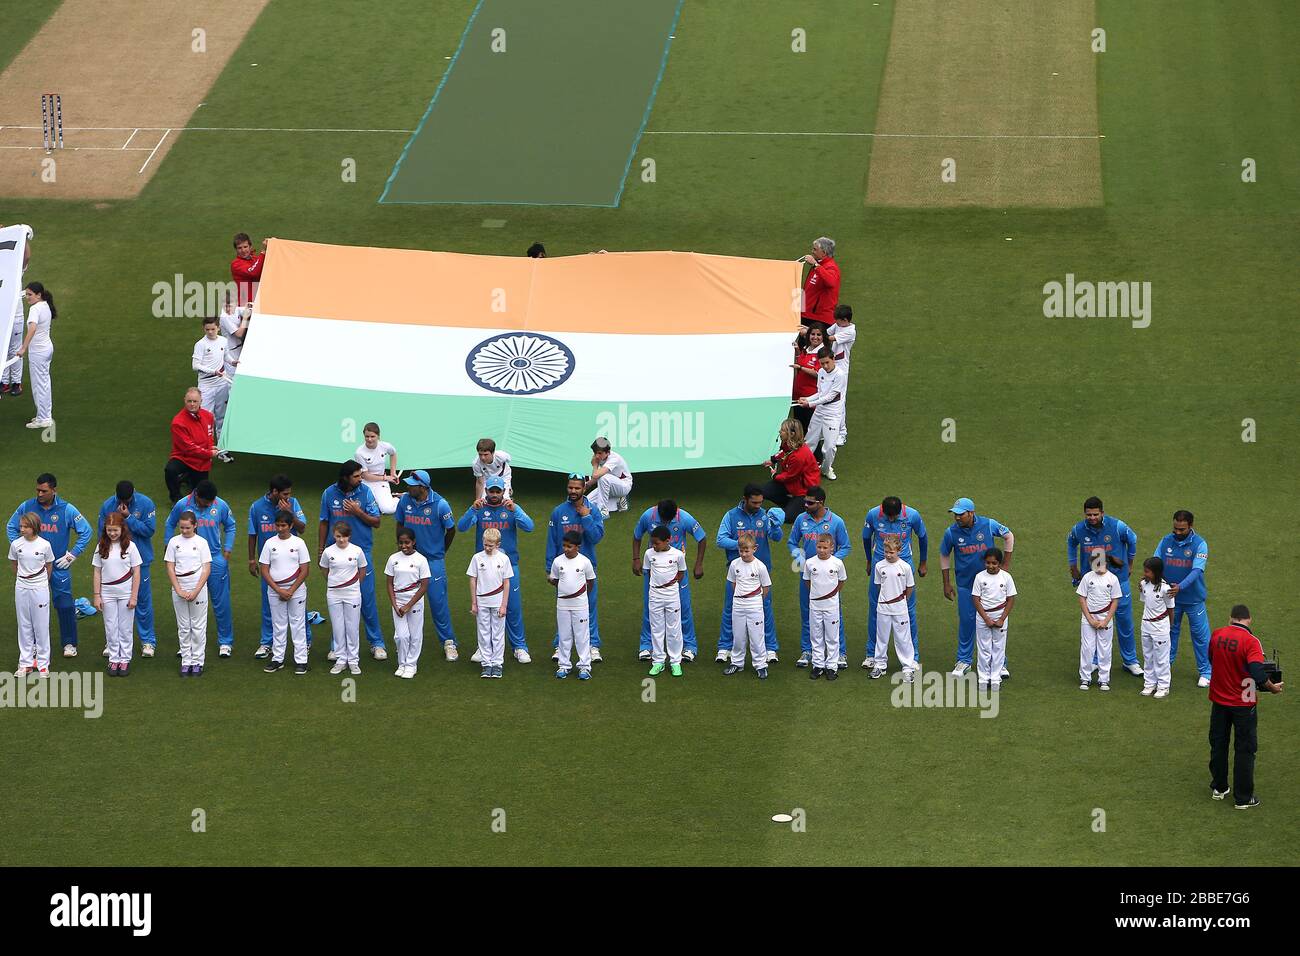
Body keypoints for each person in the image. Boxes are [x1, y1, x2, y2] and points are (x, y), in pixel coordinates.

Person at [6, 473, 91, 657]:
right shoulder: (27, 506)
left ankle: (69, 643)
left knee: (65, 605)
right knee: (32, 609)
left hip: (59, 567)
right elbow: (11, 527)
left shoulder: (67, 509)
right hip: (33, 569)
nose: (39, 494)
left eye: (44, 491)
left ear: (54, 490)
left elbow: (87, 531)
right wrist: (19, 548)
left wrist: (72, 555)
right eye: (37, 490)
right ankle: (34, 645)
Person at [1207, 605, 1282, 809]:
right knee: (1245, 749)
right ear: (1249, 619)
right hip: (1243, 703)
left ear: (1231, 618)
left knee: (1218, 744)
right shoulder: (1251, 641)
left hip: (1219, 701)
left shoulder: (1217, 634)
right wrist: (1272, 687)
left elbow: (1211, 659)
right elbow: (1257, 672)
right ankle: (1243, 797)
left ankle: (1219, 787)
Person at [458, 476, 534, 663]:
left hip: (509, 566)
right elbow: (461, 527)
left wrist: (516, 510)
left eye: (497, 491)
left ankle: (519, 647)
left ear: (503, 491)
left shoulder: (510, 508)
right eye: (491, 491)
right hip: (484, 568)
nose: (494, 495)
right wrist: (471, 509)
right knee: (484, 610)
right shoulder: (479, 508)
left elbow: (529, 527)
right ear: (486, 491)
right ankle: (483, 648)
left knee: (512, 608)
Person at [1067, 497, 1142, 677]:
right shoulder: (1078, 529)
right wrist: (1073, 566)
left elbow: (1133, 539)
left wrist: (1130, 564)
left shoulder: (1117, 527)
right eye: (1088, 514)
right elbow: (1070, 542)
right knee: (1093, 621)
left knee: (1125, 622)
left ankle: (1130, 661)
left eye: (1095, 514)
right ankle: (1094, 661)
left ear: (1102, 513)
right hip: (1092, 583)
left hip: (1119, 580)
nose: (1092, 518)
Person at [318, 461, 386, 660]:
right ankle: (337, 646)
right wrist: (320, 549)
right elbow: (323, 522)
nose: (360, 478)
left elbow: (377, 522)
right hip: (336, 557)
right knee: (338, 602)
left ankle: (376, 643)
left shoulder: (365, 493)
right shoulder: (329, 494)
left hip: (361, 554)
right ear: (346, 477)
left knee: (366, 599)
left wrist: (358, 512)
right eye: (356, 476)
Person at [940, 497, 1015, 678]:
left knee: (994, 621)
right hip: (966, 584)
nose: (957, 518)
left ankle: (999, 663)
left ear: (971, 513)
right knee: (967, 621)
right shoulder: (951, 533)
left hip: (991, 586)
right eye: (955, 515)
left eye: (961, 514)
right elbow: (944, 555)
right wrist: (946, 583)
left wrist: (1005, 565)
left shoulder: (988, 525)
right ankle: (964, 660)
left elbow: (1009, 536)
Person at [164, 480, 236, 657]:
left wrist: (227, 551)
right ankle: (186, 645)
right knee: (186, 601)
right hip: (188, 563)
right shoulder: (182, 504)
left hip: (215, 559)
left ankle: (225, 642)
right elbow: (169, 523)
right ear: (197, 495)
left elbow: (231, 526)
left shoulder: (220, 505)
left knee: (221, 603)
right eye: (207, 502)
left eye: (212, 501)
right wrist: (168, 547)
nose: (210, 504)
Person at [393, 470, 457, 661]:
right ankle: (405, 643)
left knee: (438, 603)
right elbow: (400, 524)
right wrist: (402, 547)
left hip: (432, 561)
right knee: (405, 600)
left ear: (423, 487)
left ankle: (448, 642)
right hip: (409, 560)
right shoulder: (405, 501)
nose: (407, 487)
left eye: (412, 484)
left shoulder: (441, 505)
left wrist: (440, 552)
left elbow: (451, 530)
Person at [715, 485, 784, 662]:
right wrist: (743, 547)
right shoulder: (730, 516)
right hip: (737, 572)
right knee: (730, 609)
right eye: (754, 502)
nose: (758, 505)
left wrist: (776, 527)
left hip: (761, 572)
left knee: (765, 609)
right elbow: (720, 539)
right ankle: (725, 647)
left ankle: (770, 648)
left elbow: (776, 538)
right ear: (745, 499)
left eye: (761, 502)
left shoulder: (764, 514)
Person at [633, 499, 706, 662]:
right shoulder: (648, 515)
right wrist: (636, 558)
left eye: (669, 520)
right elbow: (637, 536)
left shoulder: (685, 518)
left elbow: (702, 538)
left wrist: (699, 563)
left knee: (684, 608)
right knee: (650, 607)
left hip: (677, 571)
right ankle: (646, 646)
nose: (665, 523)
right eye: (663, 520)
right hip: (653, 570)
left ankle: (689, 647)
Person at [862, 496, 928, 670]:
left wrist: (923, 562)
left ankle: (913, 656)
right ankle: (871, 654)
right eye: (888, 516)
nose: (891, 519)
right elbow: (866, 537)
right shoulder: (873, 514)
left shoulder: (912, 515)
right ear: (882, 511)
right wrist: (869, 561)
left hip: (904, 567)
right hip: (880, 565)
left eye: (894, 516)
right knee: (875, 608)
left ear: (900, 511)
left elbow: (923, 537)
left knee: (908, 611)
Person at [247, 475, 309, 659]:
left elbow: (302, 527)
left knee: (299, 607)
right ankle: (267, 642)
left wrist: (289, 512)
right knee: (269, 605)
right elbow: (252, 534)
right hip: (269, 567)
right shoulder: (257, 507)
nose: (288, 496)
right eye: (285, 493)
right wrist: (252, 560)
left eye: (290, 493)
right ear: (274, 492)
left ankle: (306, 642)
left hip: (292, 566)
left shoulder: (293, 503)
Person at [789, 487, 850, 669]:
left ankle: (840, 653)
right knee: (807, 611)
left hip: (829, 578)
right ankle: (808, 650)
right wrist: (800, 559)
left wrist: (830, 563)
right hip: (808, 576)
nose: (805, 505)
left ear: (821, 503)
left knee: (834, 614)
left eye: (809, 502)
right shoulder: (801, 519)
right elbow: (792, 541)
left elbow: (845, 546)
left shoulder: (836, 522)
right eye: (805, 501)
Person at [546, 475, 605, 662]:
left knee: (589, 607)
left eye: (577, 488)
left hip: (586, 568)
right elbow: (552, 541)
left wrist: (586, 517)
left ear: (584, 489)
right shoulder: (558, 512)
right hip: (563, 569)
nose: (573, 491)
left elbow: (596, 538)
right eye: (570, 488)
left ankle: (592, 645)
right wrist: (550, 568)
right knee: (562, 608)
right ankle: (560, 645)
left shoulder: (593, 510)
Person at [97, 481, 157, 658]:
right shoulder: (108, 505)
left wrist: (129, 517)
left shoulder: (146, 504)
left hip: (140, 560)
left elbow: (149, 531)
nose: (125, 501)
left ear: (133, 494)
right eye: (121, 499)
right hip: (114, 563)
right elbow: (103, 532)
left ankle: (148, 641)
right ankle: (112, 641)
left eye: (128, 499)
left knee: (142, 601)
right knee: (112, 603)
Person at [1154, 510, 1212, 687]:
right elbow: (1155, 562)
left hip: (1193, 600)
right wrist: (1148, 578)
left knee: (1200, 636)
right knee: (1170, 632)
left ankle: (1206, 672)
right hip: (1171, 599)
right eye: (1175, 528)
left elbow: (1197, 571)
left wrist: (1180, 587)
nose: (1178, 533)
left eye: (1182, 529)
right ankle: (1165, 667)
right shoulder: (1165, 541)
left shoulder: (1200, 544)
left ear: (1191, 526)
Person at [259, 513, 311, 675]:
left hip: (296, 590)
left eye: (284, 525)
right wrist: (278, 589)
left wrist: (291, 590)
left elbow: (305, 569)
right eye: (278, 525)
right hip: (275, 591)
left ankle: (301, 660)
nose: (280, 528)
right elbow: (264, 569)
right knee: (278, 624)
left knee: (298, 624)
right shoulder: (269, 543)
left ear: (291, 526)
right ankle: (277, 659)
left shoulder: (299, 543)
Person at [92, 512, 142, 676]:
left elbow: (136, 572)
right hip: (107, 593)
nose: (112, 533)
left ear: (122, 529)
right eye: (109, 530)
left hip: (126, 593)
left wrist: (134, 596)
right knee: (111, 627)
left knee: (125, 628)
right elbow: (97, 572)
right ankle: (114, 659)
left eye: (115, 530)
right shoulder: (101, 546)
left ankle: (125, 659)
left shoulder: (130, 547)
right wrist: (97, 595)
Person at [165, 511, 212, 676]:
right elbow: (170, 566)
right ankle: (186, 661)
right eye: (181, 527)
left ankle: (198, 661)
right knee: (184, 627)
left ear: (195, 525)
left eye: (187, 528)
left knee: (198, 626)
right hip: (179, 587)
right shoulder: (173, 542)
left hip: (197, 587)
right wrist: (178, 589)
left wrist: (196, 590)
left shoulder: (201, 543)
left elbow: (206, 568)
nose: (184, 531)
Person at [9, 512, 53, 676]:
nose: (22, 529)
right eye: (21, 526)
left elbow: (49, 566)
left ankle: (43, 664)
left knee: (41, 626)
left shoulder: (44, 545)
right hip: (21, 587)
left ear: (34, 527)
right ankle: (25, 663)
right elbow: (14, 564)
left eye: (25, 527)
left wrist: (40, 583)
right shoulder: (15, 544)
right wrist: (23, 581)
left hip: (39, 588)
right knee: (24, 624)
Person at [723, 534, 772, 679]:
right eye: (741, 551)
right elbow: (733, 583)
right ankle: (737, 663)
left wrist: (756, 600)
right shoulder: (734, 564)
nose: (743, 554)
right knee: (738, 636)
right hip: (738, 604)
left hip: (754, 605)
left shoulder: (760, 566)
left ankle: (761, 665)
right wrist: (740, 597)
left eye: (746, 551)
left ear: (754, 549)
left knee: (757, 637)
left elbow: (766, 586)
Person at [319, 522, 366, 675]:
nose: (341, 540)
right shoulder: (328, 552)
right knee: (338, 627)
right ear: (334, 535)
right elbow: (324, 569)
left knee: (352, 627)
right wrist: (335, 583)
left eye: (344, 536)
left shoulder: (357, 551)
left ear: (349, 536)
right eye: (338, 536)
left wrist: (353, 585)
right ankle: (341, 660)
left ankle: (353, 660)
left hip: (352, 594)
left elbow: (362, 569)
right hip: (334, 594)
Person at [549, 529, 596, 680]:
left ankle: (584, 666)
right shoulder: (557, 561)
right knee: (564, 635)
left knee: (582, 636)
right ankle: (564, 665)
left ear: (578, 547)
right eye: (564, 546)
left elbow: (590, 581)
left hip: (580, 605)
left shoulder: (585, 562)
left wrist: (581, 597)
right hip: (562, 605)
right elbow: (555, 581)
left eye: (569, 546)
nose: (566, 549)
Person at [386, 527, 431, 679]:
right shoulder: (393, 559)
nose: (404, 546)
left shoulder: (421, 560)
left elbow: (424, 586)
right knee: (401, 636)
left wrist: (408, 605)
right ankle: (402, 663)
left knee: (415, 635)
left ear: (414, 542)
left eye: (407, 543)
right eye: (401, 543)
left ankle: (411, 664)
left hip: (415, 602)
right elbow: (389, 584)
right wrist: (395, 604)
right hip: (398, 602)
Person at [870, 538, 917, 681]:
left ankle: (908, 667)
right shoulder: (879, 566)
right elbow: (879, 585)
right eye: (886, 552)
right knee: (882, 637)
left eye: (891, 552)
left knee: (903, 638)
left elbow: (910, 588)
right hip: (883, 608)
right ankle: (879, 664)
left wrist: (901, 601)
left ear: (899, 551)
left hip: (900, 609)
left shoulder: (905, 567)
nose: (888, 555)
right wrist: (886, 599)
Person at [642, 525, 686, 677]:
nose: (654, 546)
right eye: (652, 543)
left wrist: (670, 586)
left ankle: (675, 662)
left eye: (657, 543)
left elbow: (681, 572)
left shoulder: (678, 555)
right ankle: (658, 661)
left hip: (672, 595)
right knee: (656, 628)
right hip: (654, 595)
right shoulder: (648, 554)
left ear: (668, 540)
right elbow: (647, 571)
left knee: (674, 628)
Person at [469, 528, 512, 679]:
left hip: (498, 601)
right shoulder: (477, 558)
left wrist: (504, 605)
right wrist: (474, 603)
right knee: (484, 633)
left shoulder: (504, 559)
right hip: (482, 601)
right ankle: (486, 664)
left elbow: (506, 583)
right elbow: (473, 580)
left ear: (498, 544)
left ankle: (497, 663)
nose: (487, 548)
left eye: (491, 546)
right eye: (485, 545)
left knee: (498, 634)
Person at [803, 532, 847, 681]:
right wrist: (817, 596)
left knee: (832, 637)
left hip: (832, 607)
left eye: (825, 547)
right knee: (815, 636)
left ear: (831, 548)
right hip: (815, 606)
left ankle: (832, 667)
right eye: (819, 547)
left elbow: (841, 581)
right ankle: (818, 665)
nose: (821, 550)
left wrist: (830, 596)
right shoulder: (809, 563)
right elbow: (807, 581)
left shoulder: (837, 563)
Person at [797, 348, 846, 481]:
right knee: (809, 442)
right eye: (822, 363)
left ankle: (826, 469)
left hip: (833, 415)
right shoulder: (821, 372)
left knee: (829, 447)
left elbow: (830, 396)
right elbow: (820, 393)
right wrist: (807, 399)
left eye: (827, 363)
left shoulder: (840, 375)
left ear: (833, 359)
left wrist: (810, 404)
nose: (824, 366)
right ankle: (801, 469)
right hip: (819, 412)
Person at [971, 548, 1016, 691]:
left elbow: (1010, 599)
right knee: (984, 648)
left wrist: (1002, 618)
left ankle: (995, 678)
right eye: (988, 563)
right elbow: (976, 599)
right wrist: (986, 618)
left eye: (994, 563)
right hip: (983, 617)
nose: (991, 566)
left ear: (1000, 563)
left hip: (1000, 616)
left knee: (998, 648)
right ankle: (983, 678)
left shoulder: (1006, 577)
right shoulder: (979, 577)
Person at [1076, 551, 1121, 691]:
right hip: (1088, 619)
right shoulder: (1087, 577)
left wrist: (1106, 620)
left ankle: (1104, 679)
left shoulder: (1112, 579)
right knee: (1087, 648)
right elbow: (1082, 598)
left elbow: (1115, 601)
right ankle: (1085, 678)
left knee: (1105, 649)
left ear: (1105, 563)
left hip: (1105, 619)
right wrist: (1090, 619)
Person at [165, 388, 217, 504]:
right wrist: (209, 453)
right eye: (189, 401)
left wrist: (211, 447)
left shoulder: (208, 416)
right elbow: (189, 448)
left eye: (195, 401)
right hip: (183, 457)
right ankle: (176, 497)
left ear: (201, 401)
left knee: (202, 494)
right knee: (170, 470)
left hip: (201, 459)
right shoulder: (178, 422)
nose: (192, 404)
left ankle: (186, 477)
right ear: (184, 401)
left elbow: (209, 436)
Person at [15, 282, 56, 428]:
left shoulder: (35, 309)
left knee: (40, 385)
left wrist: (23, 348)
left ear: (39, 295)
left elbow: (32, 329)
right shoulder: (45, 305)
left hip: (38, 352)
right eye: (26, 294)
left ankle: (44, 418)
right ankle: (44, 415)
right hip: (46, 349)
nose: (27, 297)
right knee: (44, 383)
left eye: (30, 294)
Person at [191, 317, 231, 460]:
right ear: (204, 329)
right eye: (207, 329)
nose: (210, 332)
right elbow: (195, 366)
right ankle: (204, 450)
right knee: (205, 418)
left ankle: (221, 449)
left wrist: (233, 361)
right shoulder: (200, 344)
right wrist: (213, 371)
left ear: (218, 328)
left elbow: (225, 356)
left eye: (213, 329)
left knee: (221, 416)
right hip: (206, 386)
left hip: (221, 383)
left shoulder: (223, 341)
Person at [763, 419, 820, 517]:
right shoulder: (789, 444)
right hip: (792, 483)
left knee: (789, 516)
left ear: (792, 434)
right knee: (763, 491)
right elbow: (784, 452)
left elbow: (790, 476)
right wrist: (773, 459)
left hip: (804, 490)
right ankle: (793, 504)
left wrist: (775, 476)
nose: (779, 432)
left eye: (782, 430)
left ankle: (800, 505)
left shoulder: (799, 456)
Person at [1, 224, 32, 399]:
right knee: (2, 348)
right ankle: (4, 381)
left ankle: (16, 382)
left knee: (15, 347)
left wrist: (23, 237)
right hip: (1, 312)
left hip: (15, 314)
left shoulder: (14, 269)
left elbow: (26, 256)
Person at [1138, 557, 1175, 697]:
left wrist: (1170, 626)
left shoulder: (1166, 589)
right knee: (1148, 656)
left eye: (1148, 571)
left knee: (1161, 658)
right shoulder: (1143, 584)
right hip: (1146, 625)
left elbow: (1171, 609)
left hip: (1161, 627)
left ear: (1156, 572)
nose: (1145, 573)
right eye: (1145, 571)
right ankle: (1149, 684)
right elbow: (1145, 601)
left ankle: (1163, 686)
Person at [824, 304, 856, 445]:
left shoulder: (850, 331)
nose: (836, 322)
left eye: (838, 320)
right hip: (832, 366)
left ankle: (842, 433)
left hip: (841, 369)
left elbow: (829, 338)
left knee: (840, 400)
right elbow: (826, 332)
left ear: (845, 319)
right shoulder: (838, 325)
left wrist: (811, 333)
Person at [354, 422, 400, 515]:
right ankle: (380, 500)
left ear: (378, 436)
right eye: (367, 436)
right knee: (360, 508)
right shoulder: (359, 453)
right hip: (365, 483)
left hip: (380, 483)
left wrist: (393, 472)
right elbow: (365, 476)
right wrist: (385, 478)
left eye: (372, 436)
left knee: (388, 510)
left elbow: (393, 453)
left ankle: (399, 498)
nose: (369, 439)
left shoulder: (385, 446)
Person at [798, 237, 840, 331]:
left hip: (818, 319)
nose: (812, 251)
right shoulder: (820, 265)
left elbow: (831, 282)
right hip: (808, 315)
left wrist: (816, 265)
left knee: (811, 345)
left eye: (815, 249)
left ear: (824, 253)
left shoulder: (831, 267)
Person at [585, 437, 633, 518]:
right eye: (595, 452)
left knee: (603, 477)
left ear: (608, 452)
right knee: (586, 503)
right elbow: (597, 476)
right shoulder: (601, 457)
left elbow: (596, 475)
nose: (596, 456)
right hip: (611, 485)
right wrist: (587, 485)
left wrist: (595, 465)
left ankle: (603, 510)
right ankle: (619, 499)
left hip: (624, 486)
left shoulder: (614, 458)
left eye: (599, 453)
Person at [789, 324, 824, 434]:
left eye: (818, 334)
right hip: (798, 396)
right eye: (813, 334)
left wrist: (801, 368)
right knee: (799, 430)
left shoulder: (823, 353)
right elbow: (800, 362)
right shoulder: (806, 349)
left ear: (823, 337)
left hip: (810, 399)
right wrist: (797, 351)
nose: (815, 337)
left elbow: (818, 373)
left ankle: (814, 452)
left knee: (810, 432)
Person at [217, 292, 249, 386]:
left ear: (236, 303)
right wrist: (245, 318)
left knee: (243, 378)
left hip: (240, 350)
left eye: (230, 306)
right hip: (231, 353)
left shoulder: (237, 310)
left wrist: (250, 307)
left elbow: (250, 310)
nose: (227, 309)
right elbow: (239, 334)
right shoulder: (224, 317)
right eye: (225, 306)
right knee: (233, 382)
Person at [230, 233, 266, 306]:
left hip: (259, 302)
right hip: (246, 306)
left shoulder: (256, 259)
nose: (243, 250)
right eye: (239, 248)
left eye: (245, 247)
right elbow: (254, 272)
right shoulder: (236, 264)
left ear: (250, 247)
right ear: (236, 249)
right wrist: (263, 252)